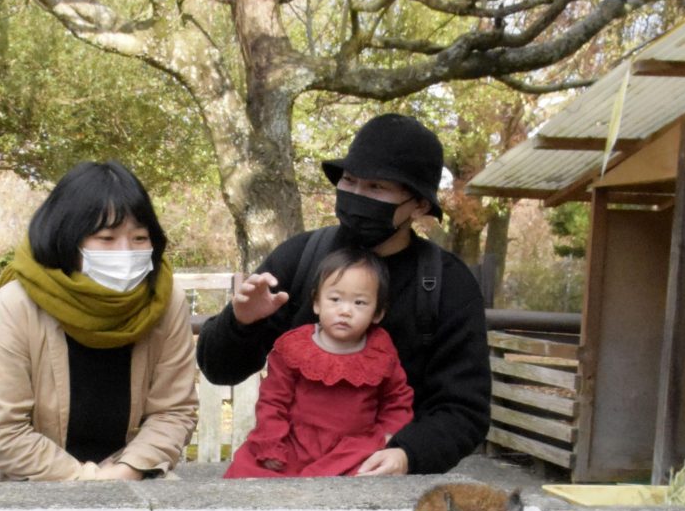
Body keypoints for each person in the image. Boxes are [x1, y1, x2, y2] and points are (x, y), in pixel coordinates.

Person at [196, 112, 491, 475]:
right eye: (350, 182)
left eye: (376, 188)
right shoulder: (301, 257)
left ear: (419, 205)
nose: (357, 196)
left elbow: (465, 410)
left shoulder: (448, 284)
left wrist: (408, 454)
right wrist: (241, 323)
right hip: (283, 469)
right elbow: (218, 369)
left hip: (383, 473)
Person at [0, 161, 198, 482]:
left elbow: (173, 410)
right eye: (106, 238)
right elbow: (0, 429)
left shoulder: (165, 299)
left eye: (139, 238)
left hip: (130, 477)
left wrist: (127, 471)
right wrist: (87, 481)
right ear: (67, 238)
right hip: (23, 483)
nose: (125, 251)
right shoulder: (16, 304)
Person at [224, 248, 413, 477]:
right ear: (316, 303)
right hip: (294, 444)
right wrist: (271, 442)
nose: (345, 311)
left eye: (360, 303)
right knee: (248, 473)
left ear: (378, 313)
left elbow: (397, 399)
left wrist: (389, 435)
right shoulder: (295, 347)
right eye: (335, 299)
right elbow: (273, 401)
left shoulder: (380, 349)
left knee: (363, 479)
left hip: (353, 449)